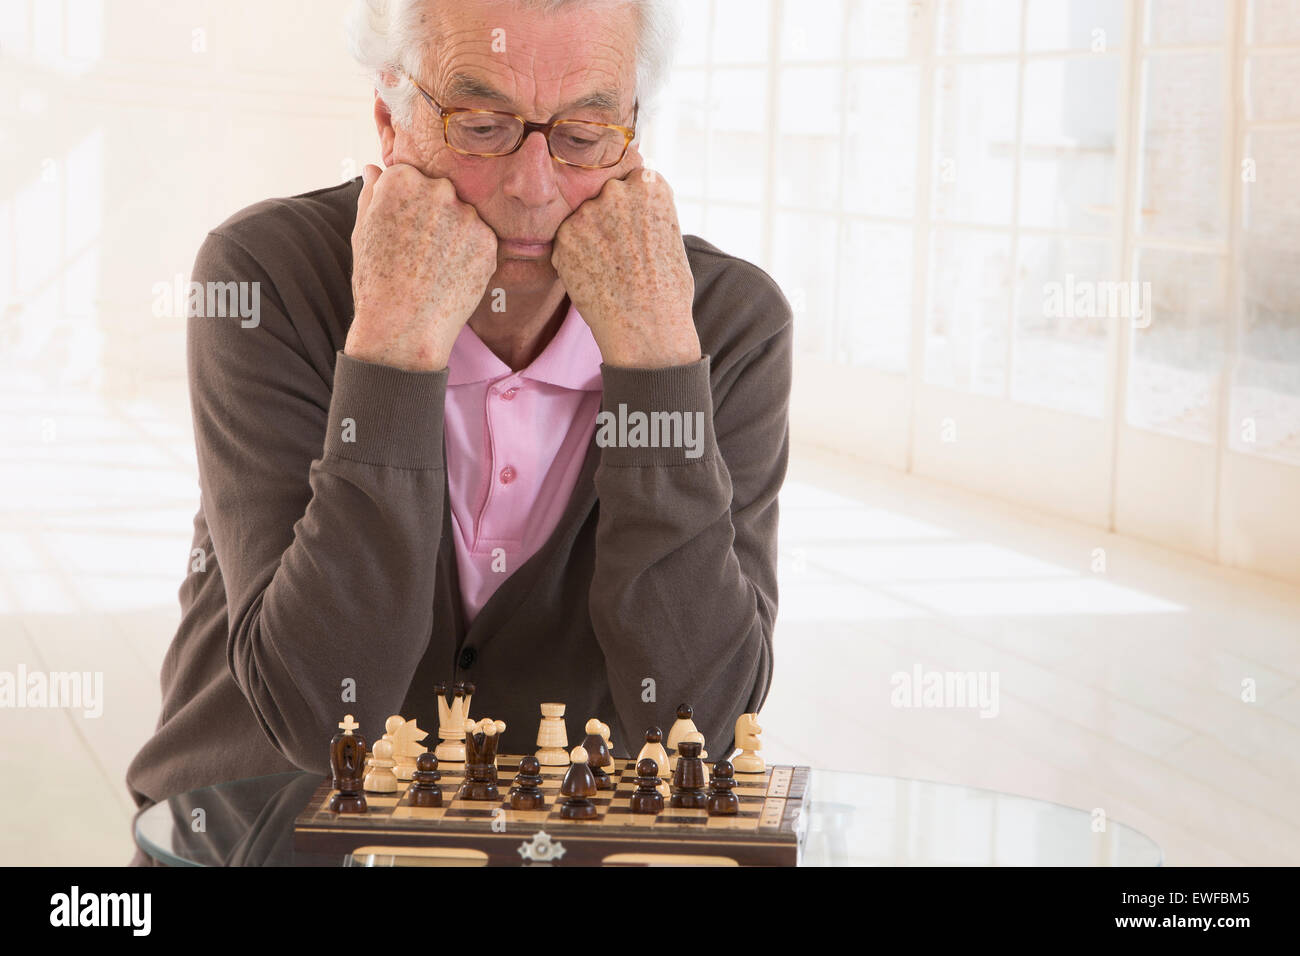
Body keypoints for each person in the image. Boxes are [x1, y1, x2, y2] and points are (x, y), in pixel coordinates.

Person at [127, 0, 791, 862]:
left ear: (633, 137)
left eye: (584, 133)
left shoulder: (729, 323)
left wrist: (657, 355)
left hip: (556, 840)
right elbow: (318, 712)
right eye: (481, 125)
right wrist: (395, 340)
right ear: (388, 118)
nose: (532, 184)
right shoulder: (265, 276)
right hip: (257, 833)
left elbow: (699, 719)